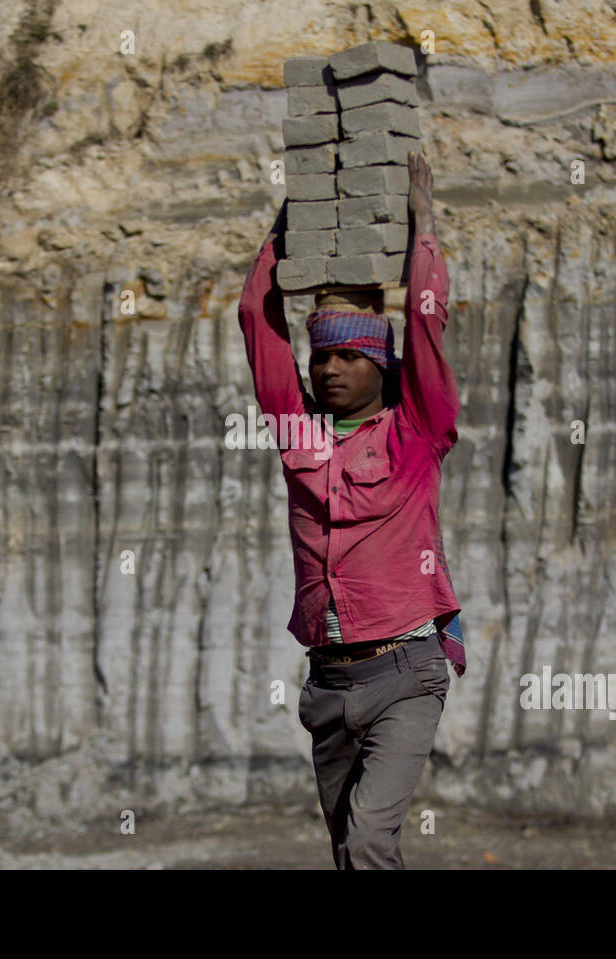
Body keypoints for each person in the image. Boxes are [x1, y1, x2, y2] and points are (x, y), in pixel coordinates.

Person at [237, 152, 464, 869]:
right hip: (329, 682)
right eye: (320, 359)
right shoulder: (298, 434)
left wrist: (423, 227)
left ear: (381, 364)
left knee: (369, 841)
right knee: (348, 852)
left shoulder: (418, 429)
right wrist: (290, 224)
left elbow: (427, 327)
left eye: (346, 358)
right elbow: (255, 317)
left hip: (406, 671)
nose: (328, 370)